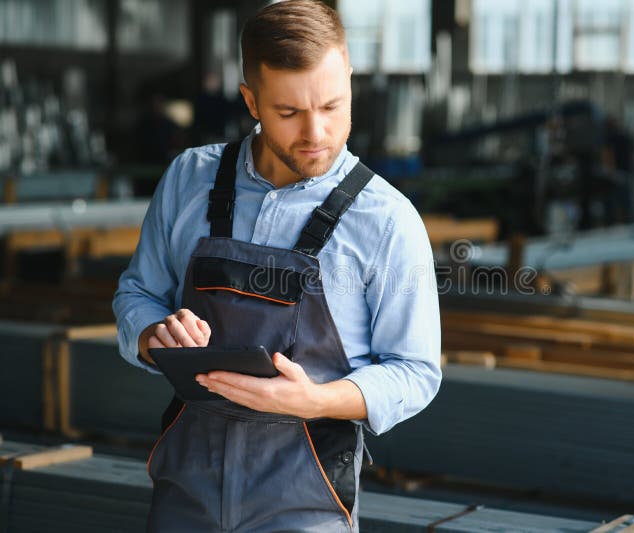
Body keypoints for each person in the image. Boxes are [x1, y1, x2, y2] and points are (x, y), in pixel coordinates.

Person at [112, 1, 441, 531]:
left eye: (333, 106)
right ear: (251, 101)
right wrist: (153, 333)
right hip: (183, 494)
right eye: (289, 113)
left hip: (304, 504)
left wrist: (315, 400)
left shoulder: (387, 221)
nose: (316, 133)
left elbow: (416, 371)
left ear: (350, 82)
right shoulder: (188, 180)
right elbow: (137, 294)